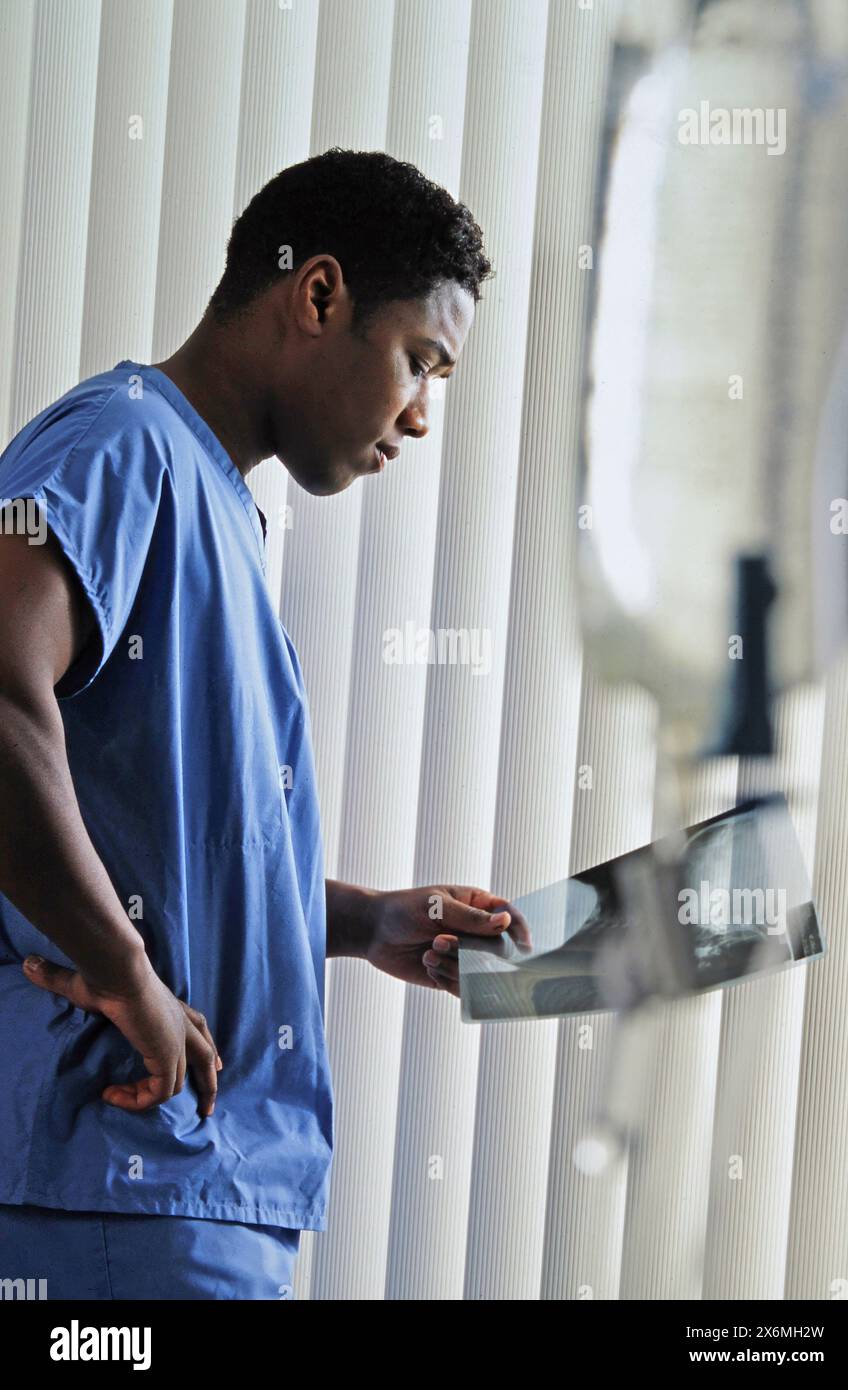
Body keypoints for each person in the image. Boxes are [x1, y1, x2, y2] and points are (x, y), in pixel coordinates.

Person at [0, 148, 530, 1300]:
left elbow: (171, 848)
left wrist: (367, 917)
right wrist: (130, 977)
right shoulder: (121, 443)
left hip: (188, 1194)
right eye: (420, 362)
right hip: (122, 1184)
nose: (425, 415)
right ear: (320, 294)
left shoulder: (214, 508)